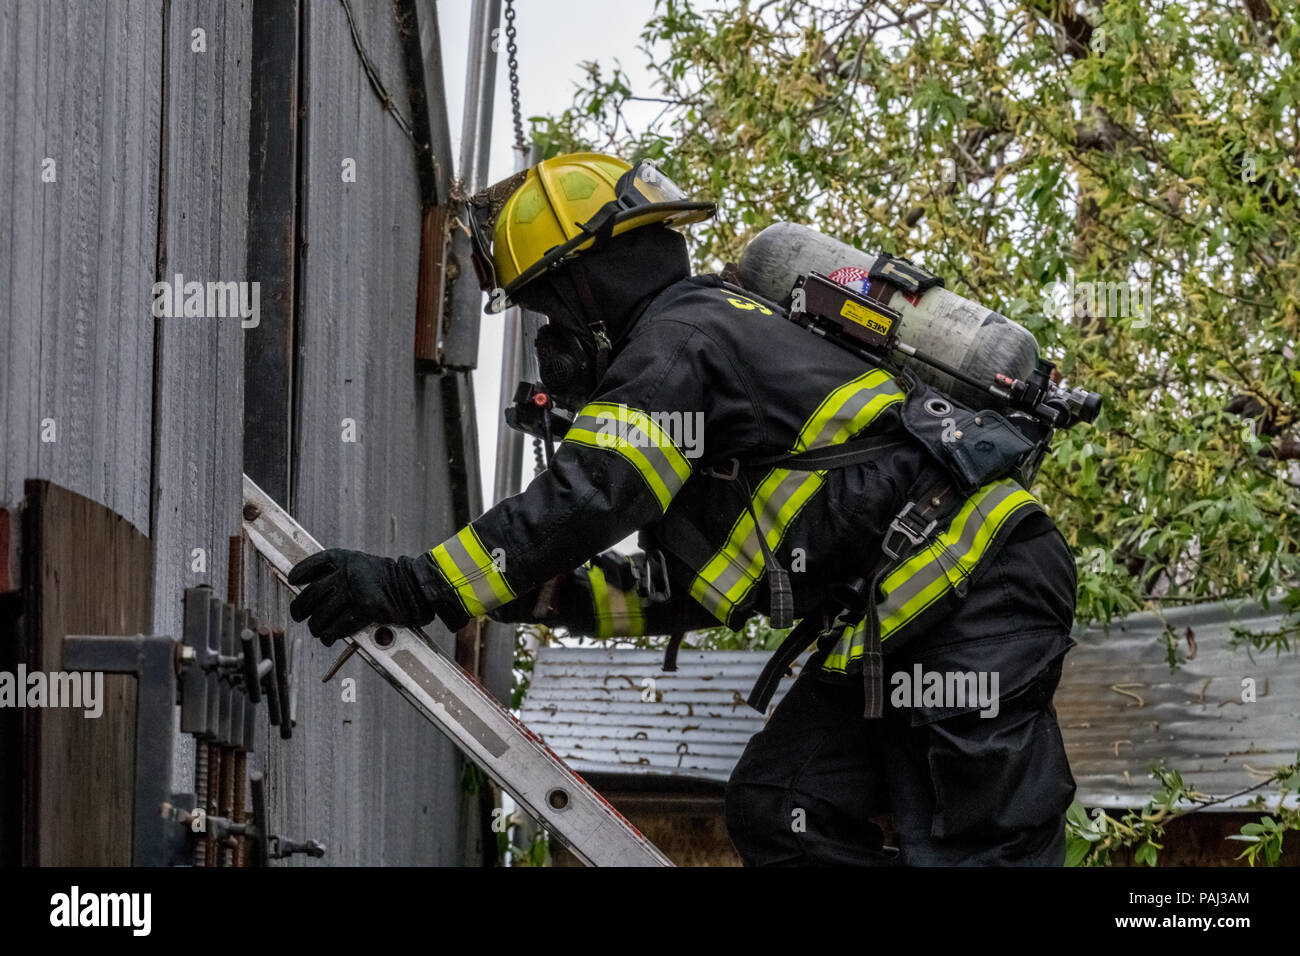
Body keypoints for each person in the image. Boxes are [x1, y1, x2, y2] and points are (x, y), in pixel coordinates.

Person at [288, 152, 1079, 866]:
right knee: (781, 808)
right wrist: (547, 595)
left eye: (550, 314)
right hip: (900, 620)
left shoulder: (682, 337)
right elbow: (687, 590)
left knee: (988, 847)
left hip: (978, 586)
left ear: (589, 284)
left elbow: (593, 492)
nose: (553, 343)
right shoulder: (711, 369)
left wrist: (417, 584)